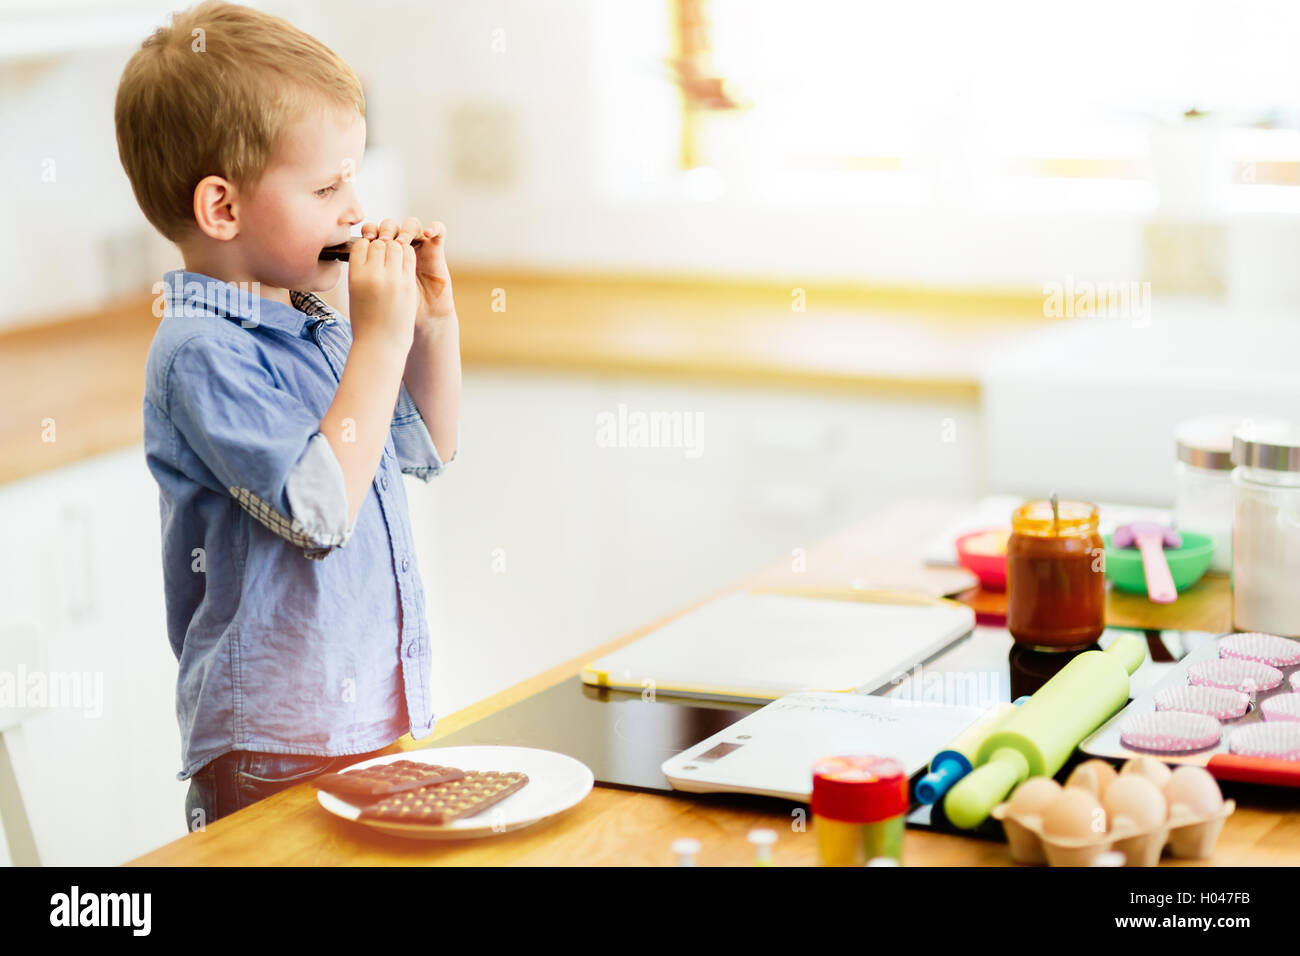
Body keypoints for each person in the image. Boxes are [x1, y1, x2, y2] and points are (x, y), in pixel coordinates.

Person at [113, 0, 462, 827]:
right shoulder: (203, 351)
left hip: (372, 714)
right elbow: (319, 512)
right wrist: (376, 342)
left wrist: (427, 327)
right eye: (327, 184)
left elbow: (429, 449)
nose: (354, 207)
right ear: (222, 210)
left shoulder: (314, 317)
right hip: (272, 748)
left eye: (355, 176)